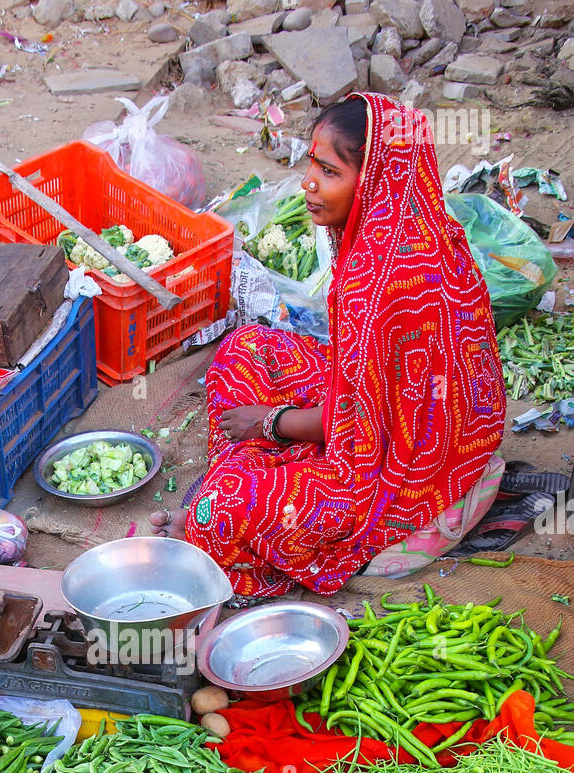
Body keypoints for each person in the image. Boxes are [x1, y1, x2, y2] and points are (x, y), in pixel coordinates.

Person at [151, 93, 506, 598]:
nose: (309, 184)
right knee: (246, 347)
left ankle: (228, 490)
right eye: (311, 164)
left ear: (374, 182)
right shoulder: (425, 230)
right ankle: (246, 464)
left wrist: (272, 421)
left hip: (407, 463)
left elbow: (359, 431)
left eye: (330, 171)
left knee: (221, 511)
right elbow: (366, 382)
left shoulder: (377, 286)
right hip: (430, 416)